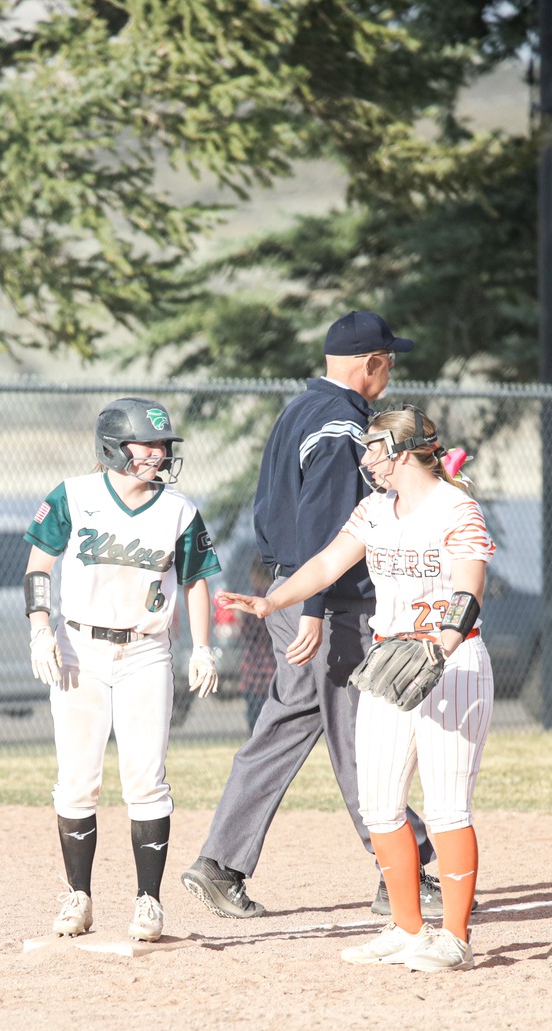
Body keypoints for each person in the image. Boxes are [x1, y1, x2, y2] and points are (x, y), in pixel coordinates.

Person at [179, 310, 440, 921]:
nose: (391, 369)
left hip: (294, 596)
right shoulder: (341, 425)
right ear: (370, 363)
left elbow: (273, 512)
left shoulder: (298, 412)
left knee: (289, 724)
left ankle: (220, 863)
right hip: (329, 606)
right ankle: (401, 867)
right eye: (388, 359)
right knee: (362, 736)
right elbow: (323, 527)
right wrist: (315, 610)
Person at [219, 405, 493, 971]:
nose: (366, 459)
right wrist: (274, 601)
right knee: (379, 803)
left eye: (375, 449)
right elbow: (325, 564)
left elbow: (470, 588)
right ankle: (407, 926)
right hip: (391, 659)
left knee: (445, 806)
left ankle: (456, 936)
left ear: (406, 451)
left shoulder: (457, 508)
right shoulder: (374, 510)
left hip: (452, 663)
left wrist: (441, 645)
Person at [24, 397, 221, 943]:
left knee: (145, 778)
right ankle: (78, 896)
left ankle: (148, 902)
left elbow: (197, 579)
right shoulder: (74, 495)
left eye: (162, 446)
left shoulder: (178, 509)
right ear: (114, 446)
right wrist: (41, 628)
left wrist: (202, 647)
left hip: (145, 653)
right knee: (78, 779)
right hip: (77, 649)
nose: (158, 455)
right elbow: (39, 565)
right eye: (147, 444)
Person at [237, 562, 275, 731]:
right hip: (273, 670)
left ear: (256, 576)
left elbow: (245, 631)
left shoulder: (254, 602)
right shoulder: (277, 599)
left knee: (254, 723)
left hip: (253, 673)